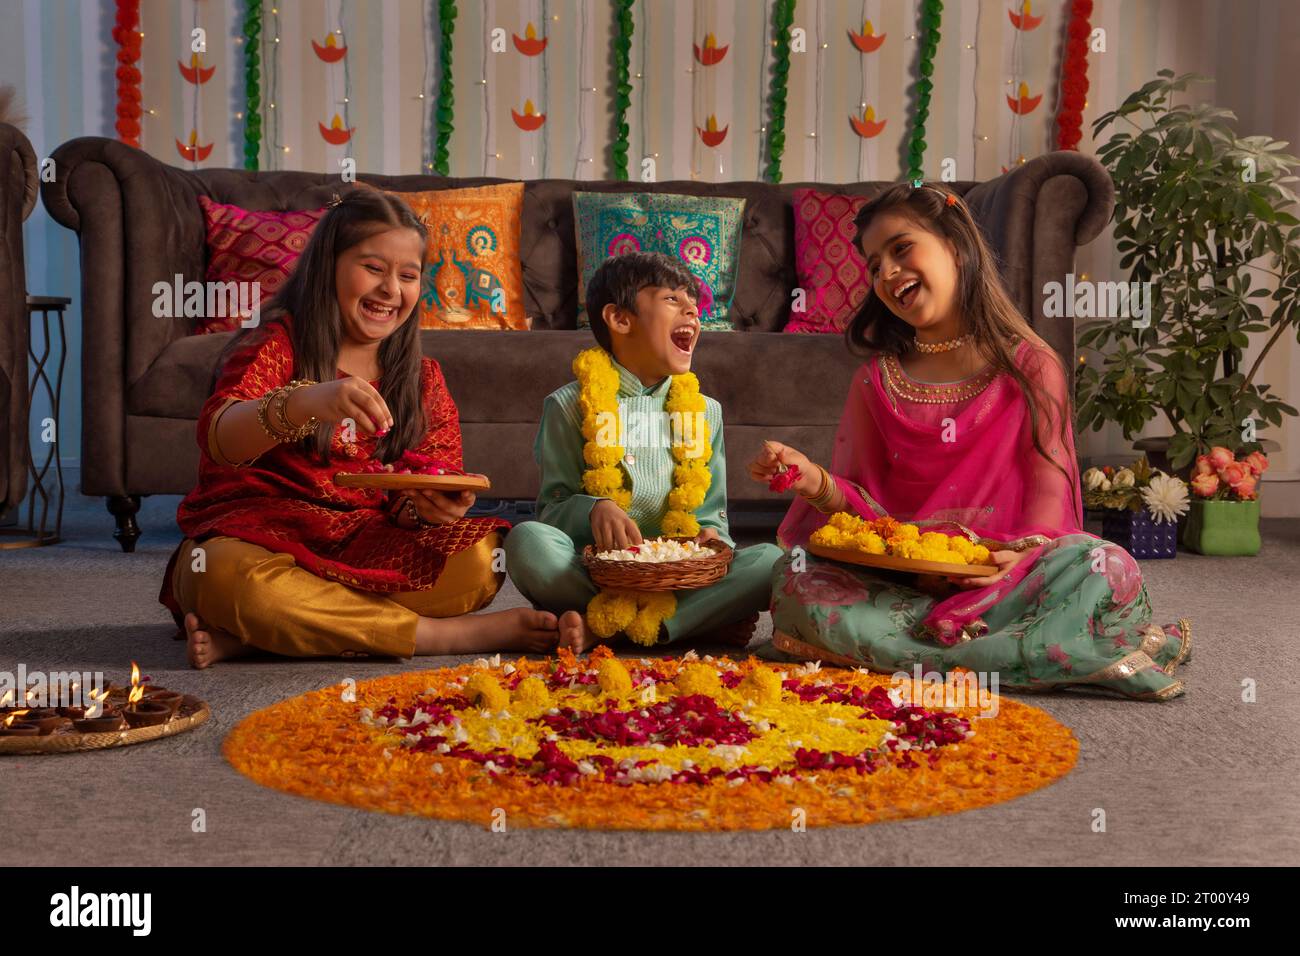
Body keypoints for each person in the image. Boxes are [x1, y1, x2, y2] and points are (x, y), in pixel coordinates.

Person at [748, 181, 1190, 700]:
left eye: (902, 248)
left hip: (1007, 580)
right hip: (904, 583)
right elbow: (866, 516)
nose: (886, 273)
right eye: (873, 264)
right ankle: (1045, 654)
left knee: (1104, 565)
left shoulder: (1029, 366)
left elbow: (1050, 500)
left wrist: (1015, 559)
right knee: (797, 581)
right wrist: (815, 481)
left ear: (956, 246)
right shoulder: (876, 381)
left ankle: (921, 652)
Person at [159, 191, 558, 668]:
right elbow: (220, 437)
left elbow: (420, 490)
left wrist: (429, 509)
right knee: (221, 579)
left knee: (478, 561)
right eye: (373, 268)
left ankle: (270, 635)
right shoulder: (279, 342)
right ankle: (432, 636)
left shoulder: (421, 378)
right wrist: (308, 401)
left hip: (361, 542)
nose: (391, 289)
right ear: (328, 266)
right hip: (254, 540)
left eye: (407, 276)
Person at [505, 251, 782, 652]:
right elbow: (553, 508)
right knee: (527, 541)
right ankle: (690, 625)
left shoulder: (705, 412)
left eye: (693, 302)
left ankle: (613, 629)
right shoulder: (569, 405)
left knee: (770, 561)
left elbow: (710, 513)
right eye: (673, 299)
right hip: (598, 574)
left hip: (681, 579)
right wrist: (594, 507)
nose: (692, 310)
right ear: (620, 320)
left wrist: (712, 539)